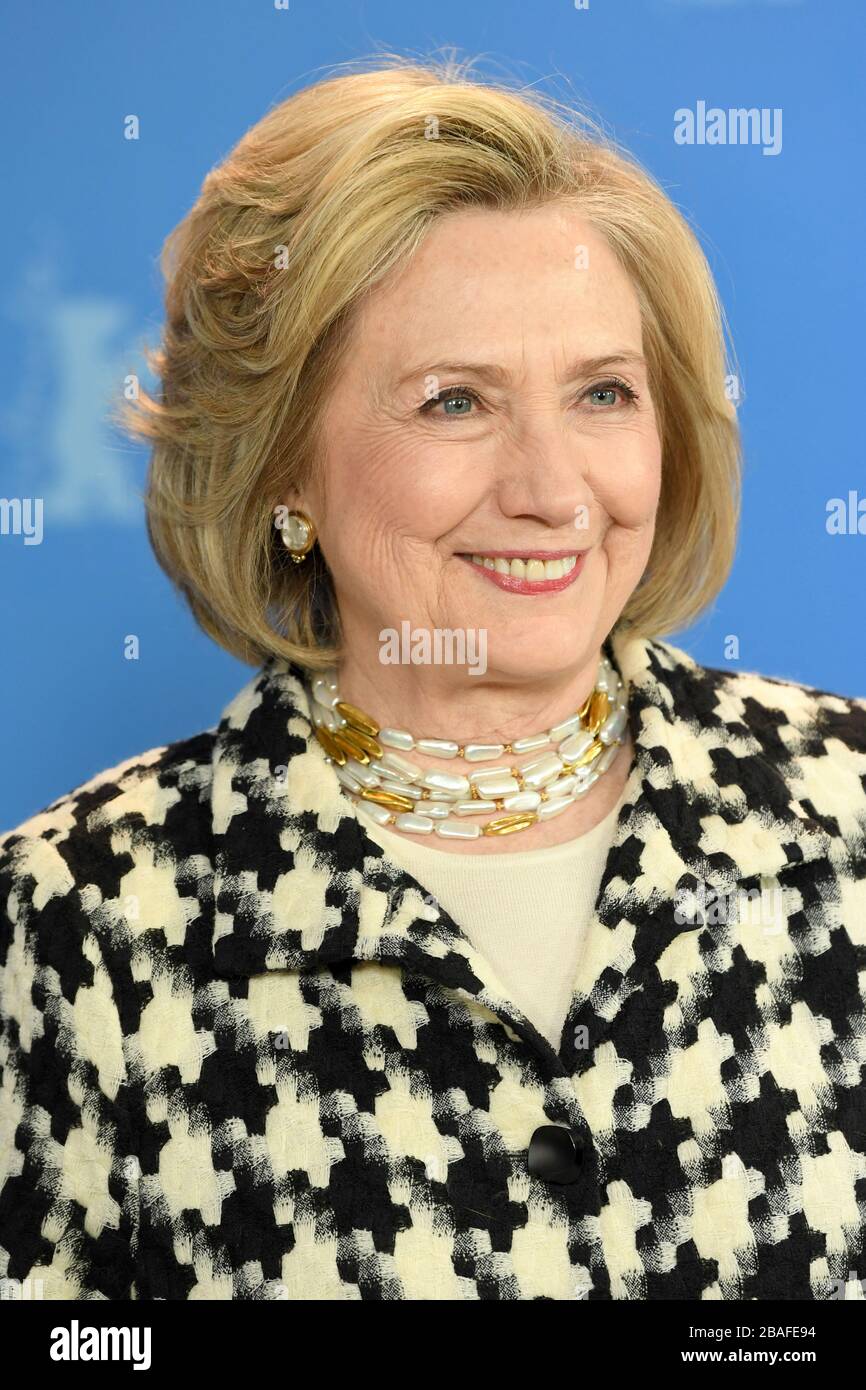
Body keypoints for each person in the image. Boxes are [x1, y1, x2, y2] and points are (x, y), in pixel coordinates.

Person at [1, 55, 864, 1301]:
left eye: (602, 394)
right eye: (455, 401)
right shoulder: (72, 925)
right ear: (280, 467)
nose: (553, 491)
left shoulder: (844, 810)